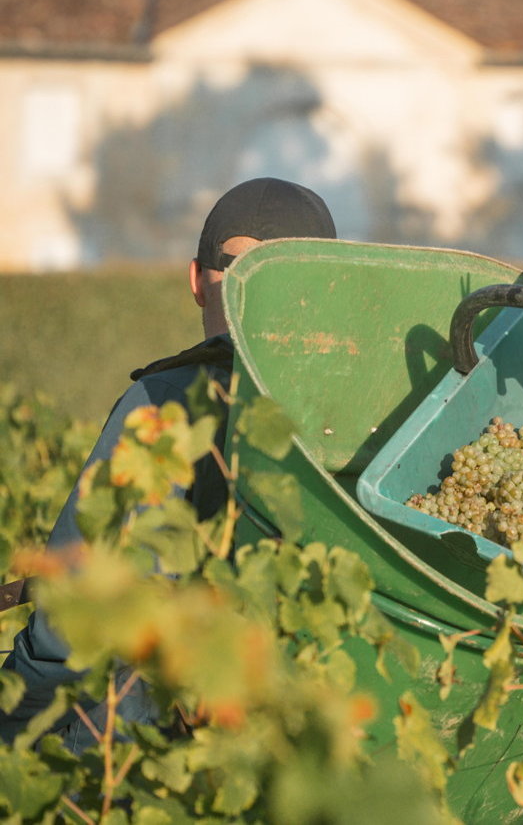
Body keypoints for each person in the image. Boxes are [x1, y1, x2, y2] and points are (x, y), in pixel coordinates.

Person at [0, 177, 337, 750]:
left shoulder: (165, 403)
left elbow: (70, 632)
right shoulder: (372, 409)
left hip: (144, 770)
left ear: (194, 283)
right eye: (240, 268)